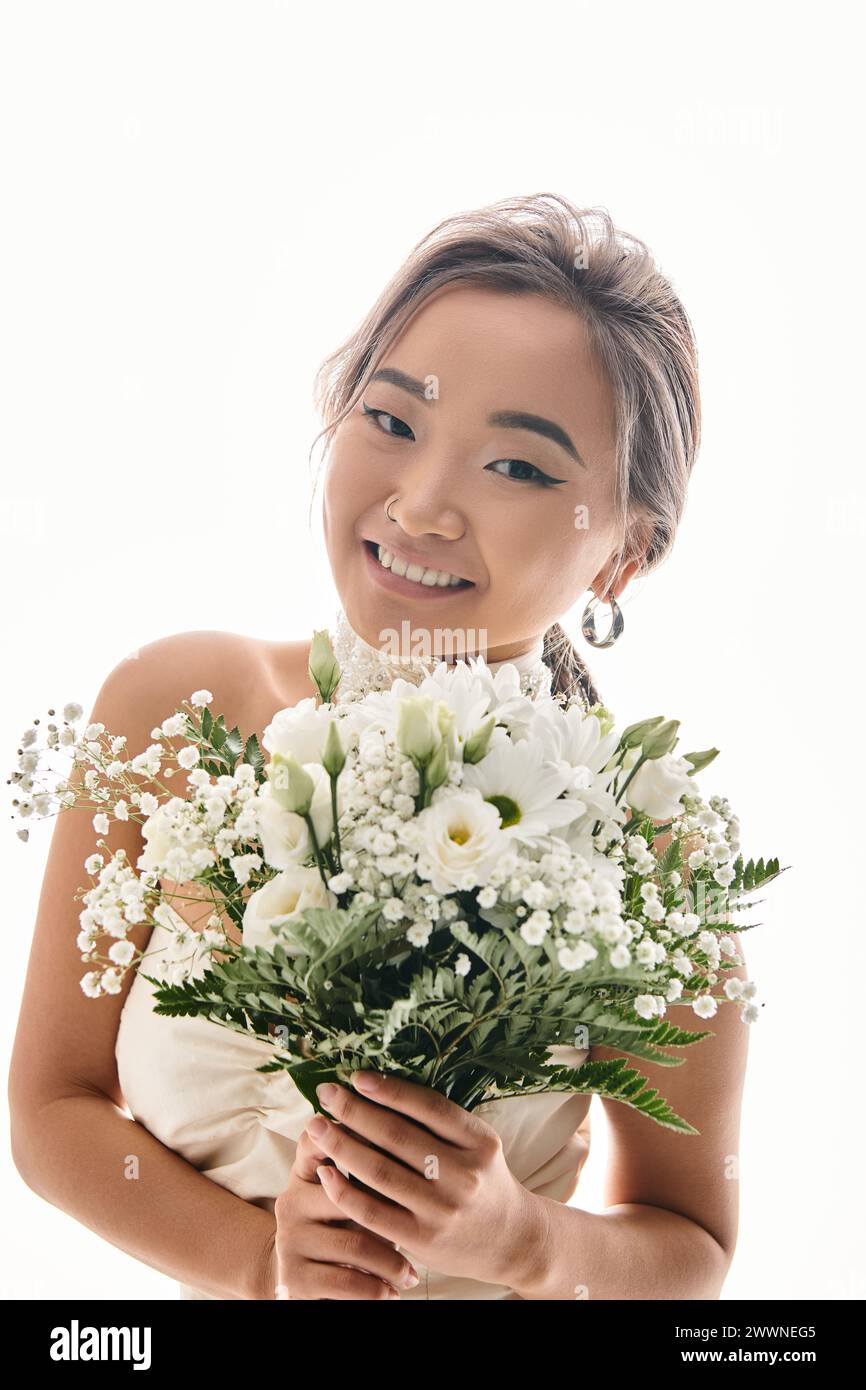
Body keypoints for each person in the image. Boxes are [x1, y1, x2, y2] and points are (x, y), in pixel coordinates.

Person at [9, 192, 748, 1300]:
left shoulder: (650, 836)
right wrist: (260, 1265)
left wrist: (526, 1243)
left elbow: (689, 1243)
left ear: (623, 554)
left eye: (518, 468)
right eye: (392, 422)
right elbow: (50, 1110)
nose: (420, 505)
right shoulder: (173, 708)